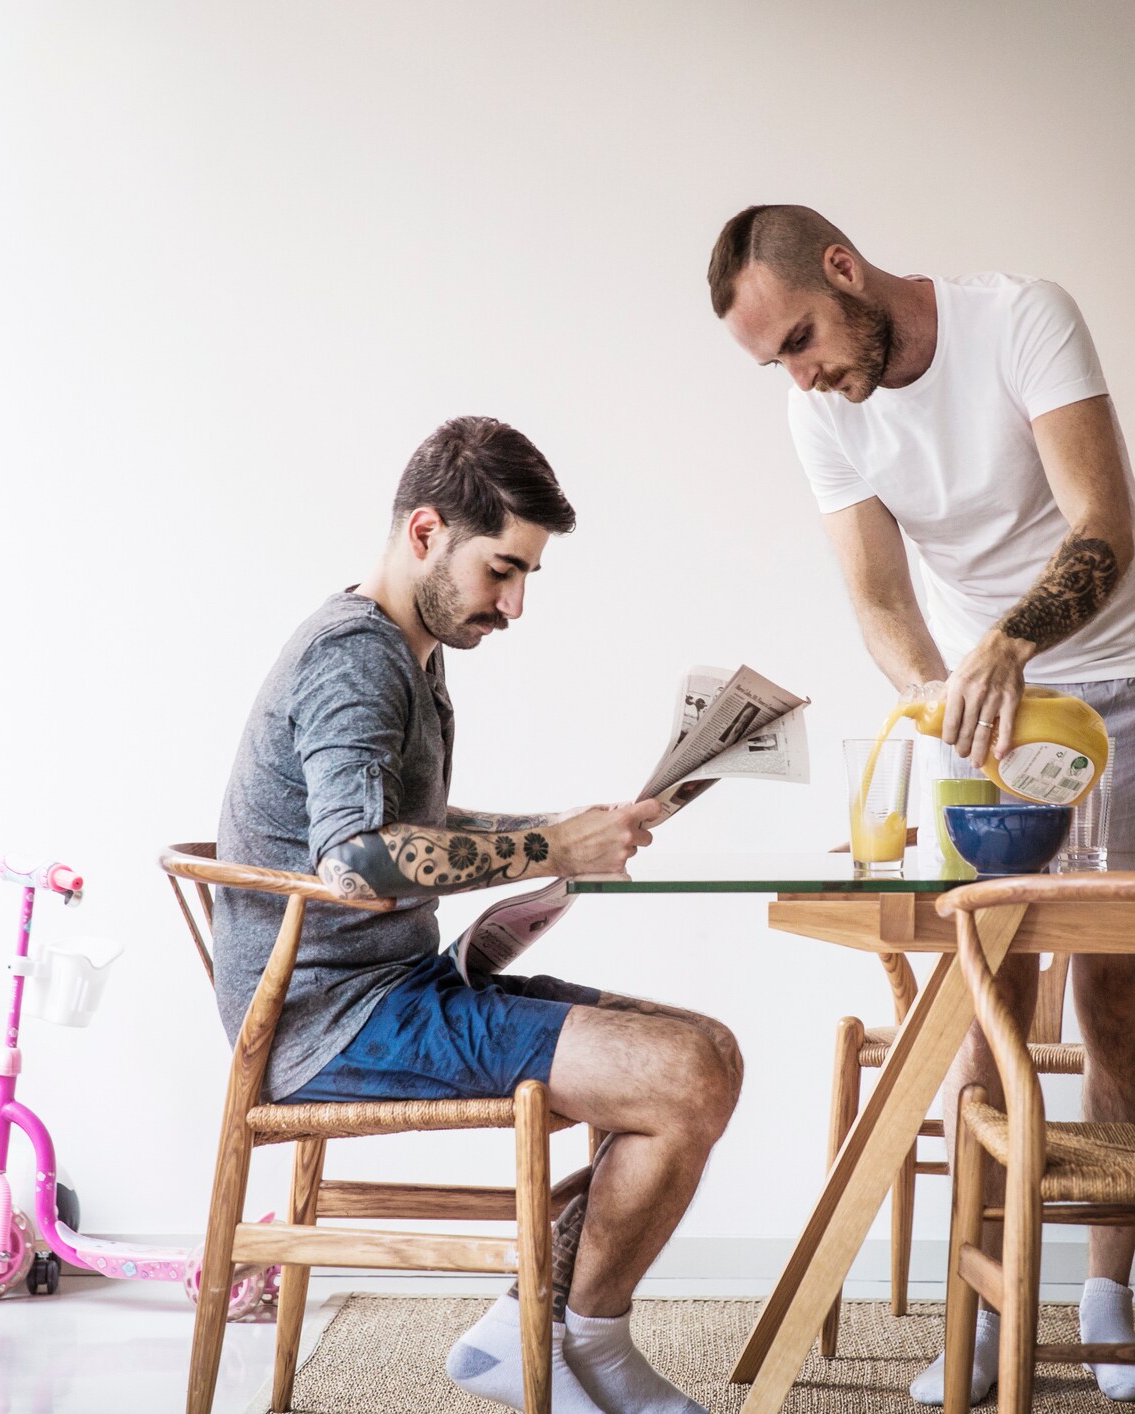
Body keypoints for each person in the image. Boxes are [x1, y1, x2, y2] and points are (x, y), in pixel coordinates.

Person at [710, 206, 1135, 1404]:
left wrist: (1011, 645)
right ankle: (978, 1315)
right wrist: (934, 697)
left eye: (805, 339)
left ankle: (1107, 1305)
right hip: (989, 712)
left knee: (1119, 1002)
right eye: (781, 362)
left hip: (1122, 683)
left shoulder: (1021, 317)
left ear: (844, 269)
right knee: (983, 1011)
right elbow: (877, 597)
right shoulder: (820, 410)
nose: (806, 374)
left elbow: (1103, 529)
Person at [214, 416, 738, 1414]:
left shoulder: (411, 654)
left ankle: (535, 1328)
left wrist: (567, 826)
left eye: (527, 575)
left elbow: (410, 825)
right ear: (424, 533)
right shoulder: (354, 659)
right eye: (503, 570)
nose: (517, 603)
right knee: (686, 1074)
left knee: (707, 1048)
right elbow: (359, 860)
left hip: (398, 992)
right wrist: (551, 849)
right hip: (336, 1024)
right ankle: (568, 1335)